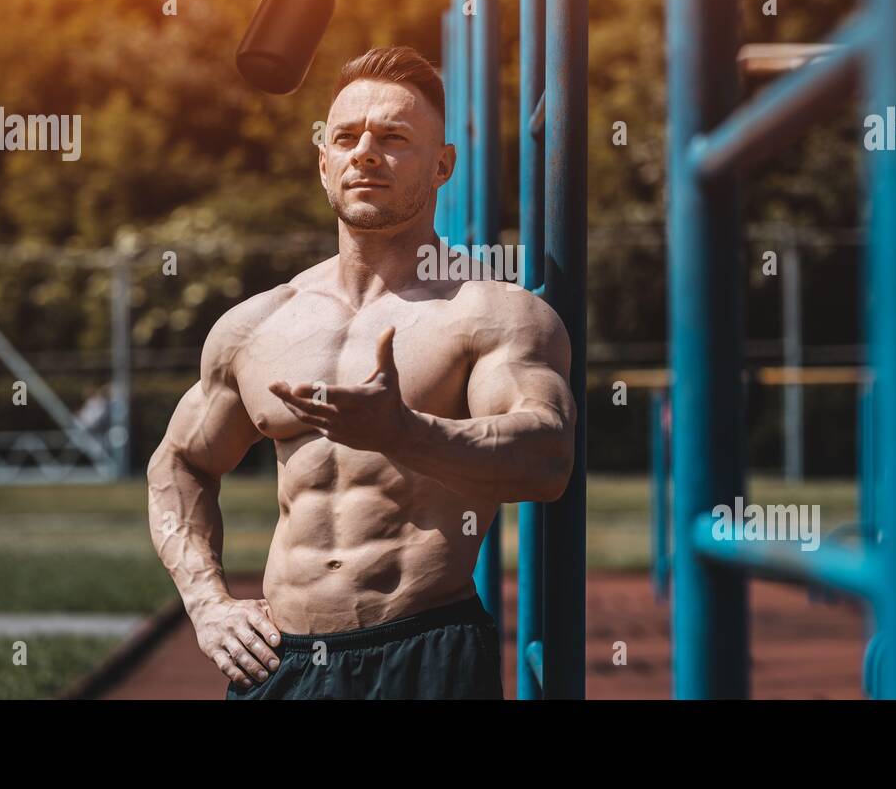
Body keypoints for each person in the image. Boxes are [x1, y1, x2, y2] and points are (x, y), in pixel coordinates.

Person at [146, 46, 576, 699]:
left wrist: (404, 433)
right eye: (346, 137)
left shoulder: (492, 314)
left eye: (394, 138)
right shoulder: (257, 327)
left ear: (442, 166)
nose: (365, 152)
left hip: (425, 652)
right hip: (281, 664)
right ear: (324, 164)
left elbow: (546, 459)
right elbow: (179, 464)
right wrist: (208, 605)